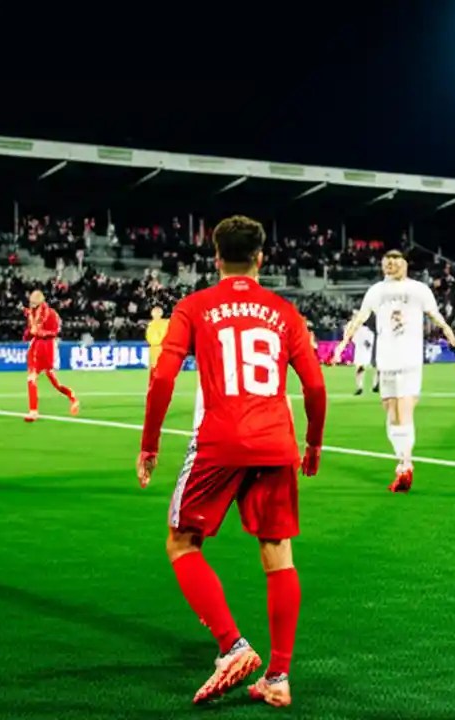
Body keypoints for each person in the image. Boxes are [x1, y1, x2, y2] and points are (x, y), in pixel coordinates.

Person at [138, 215, 326, 708]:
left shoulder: (195, 306)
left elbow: (162, 379)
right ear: (261, 258)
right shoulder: (285, 312)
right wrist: (313, 445)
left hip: (220, 440)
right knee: (277, 552)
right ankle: (279, 676)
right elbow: (315, 385)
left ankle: (232, 645)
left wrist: (150, 446)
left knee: (181, 542)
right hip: (276, 441)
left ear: (215, 256)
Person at [333, 250, 455, 492]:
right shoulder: (376, 291)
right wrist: (341, 346)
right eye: (387, 262)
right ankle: (402, 460)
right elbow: (359, 319)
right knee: (391, 411)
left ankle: (405, 464)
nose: (390, 265)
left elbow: (435, 315)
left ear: (405, 264)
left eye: (395, 261)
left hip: (409, 357)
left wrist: (449, 334)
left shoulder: (419, 289)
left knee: (403, 408)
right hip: (386, 359)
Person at [23, 290, 79, 422]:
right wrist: (29, 334)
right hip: (35, 347)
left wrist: (40, 333)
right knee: (31, 378)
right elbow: (30, 331)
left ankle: (72, 396)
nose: (32, 306)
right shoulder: (32, 314)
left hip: (46, 348)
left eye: (34, 303)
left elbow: (54, 332)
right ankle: (33, 411)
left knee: (55, 382)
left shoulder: (51, 314)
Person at [350, 320, 377, 395]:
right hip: (369, 354)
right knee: (375, 368)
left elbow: (353, 340)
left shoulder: (357, 331)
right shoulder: (371, 332)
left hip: (359, 353)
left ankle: (359, 387)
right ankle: (375, 384)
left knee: (359, 371)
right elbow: (370, 344)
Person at [145, 306, 169, 373]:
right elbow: (148, 336)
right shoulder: (151, 324)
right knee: (154, 368)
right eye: (154, 312)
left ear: (161, 313)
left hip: (162, 348)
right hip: (153, 348)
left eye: (157, 312)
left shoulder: (165, 323)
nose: (155, 314)